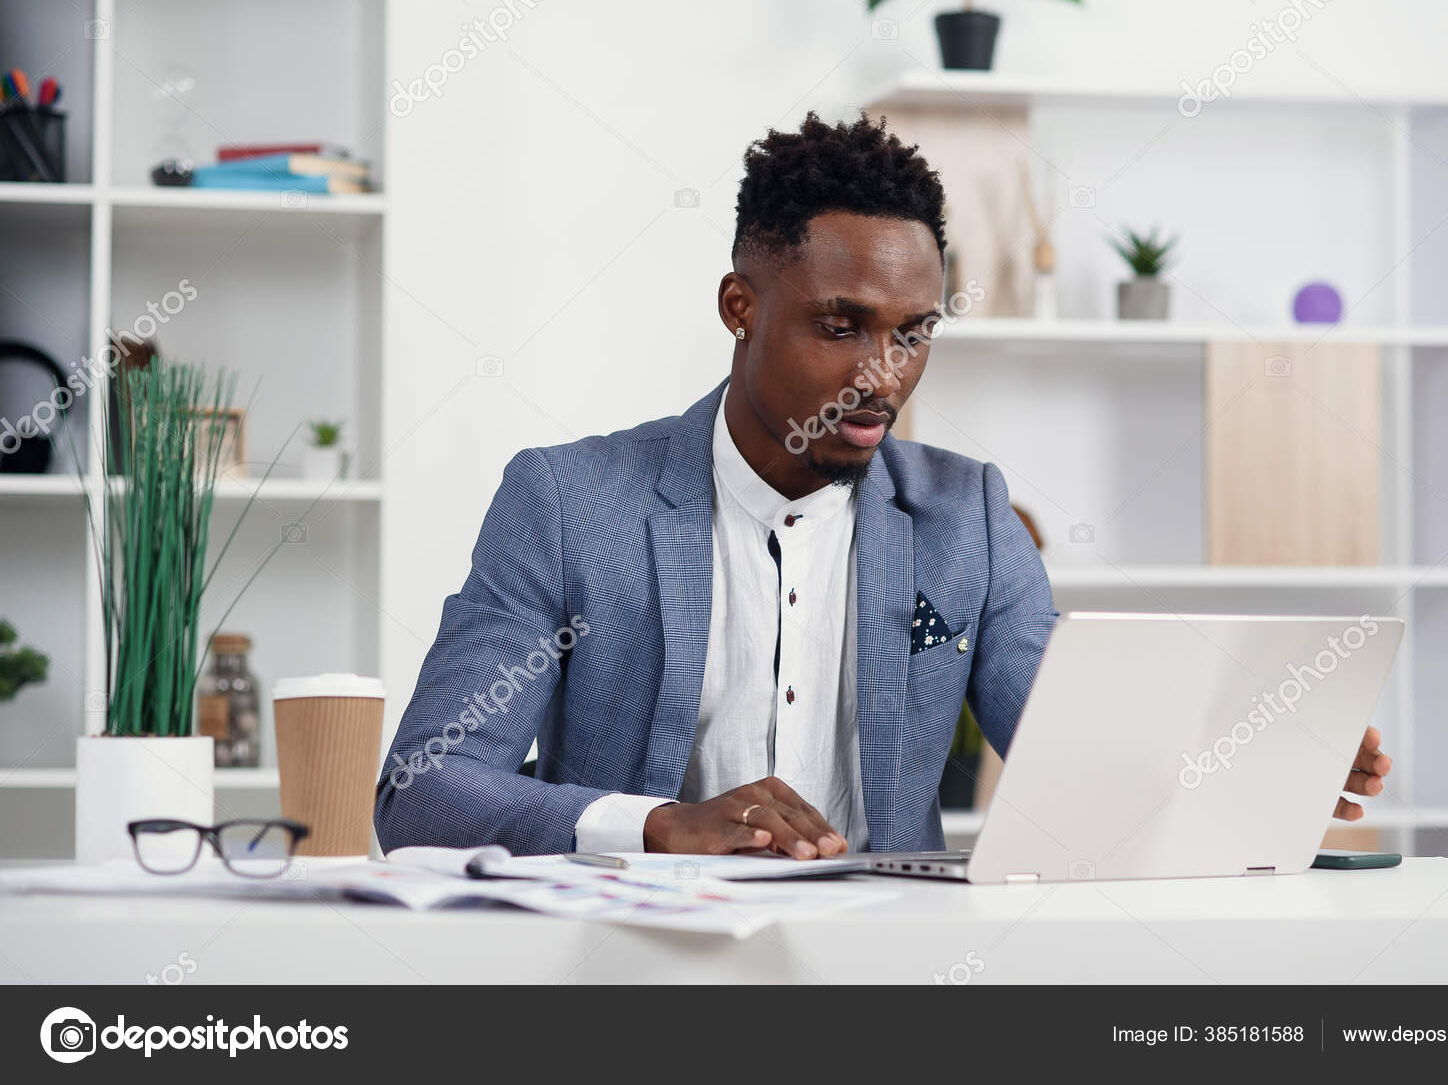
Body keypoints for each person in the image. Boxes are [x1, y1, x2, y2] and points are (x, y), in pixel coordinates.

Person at [372, 112, 1390, 858]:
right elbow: (421, 790)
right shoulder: (568, 502)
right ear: (740, 305)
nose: (882, 373)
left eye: (913, 333)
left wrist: (1264, 762)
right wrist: (658, 825)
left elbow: (1083, 754)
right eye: (839, 325)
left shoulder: (969, 518)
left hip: (890, 973)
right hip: (628, 973)